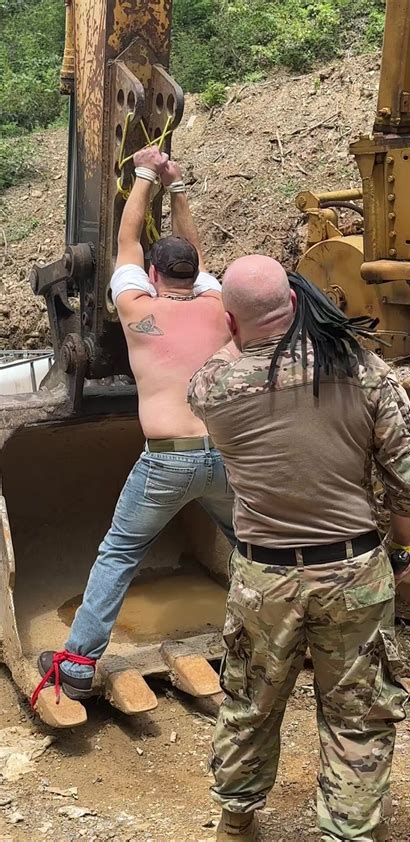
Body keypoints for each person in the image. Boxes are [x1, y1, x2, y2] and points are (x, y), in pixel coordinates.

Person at [188, 258, 410, 842]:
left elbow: (232, 357)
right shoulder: (362, 370)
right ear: (299, 306)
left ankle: (237, 817)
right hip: (353, 570)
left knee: (250, 699)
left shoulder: (212, 386)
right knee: (358, 713)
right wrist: (399, 549)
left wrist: (237, 330)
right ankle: (347, 830)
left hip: (263, 578)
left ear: (230, 322)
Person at [34, 147, 235, 701]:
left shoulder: (136, 308)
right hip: (225, 456)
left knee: (120, 553)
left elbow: (125, 241)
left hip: (168, 459)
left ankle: (76, 664)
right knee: (253, 547)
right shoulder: (217, 306)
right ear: (197, 274)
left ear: (152, 273)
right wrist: (178, 186)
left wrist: (144, 172)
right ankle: (286, 630)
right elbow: (193, 252)